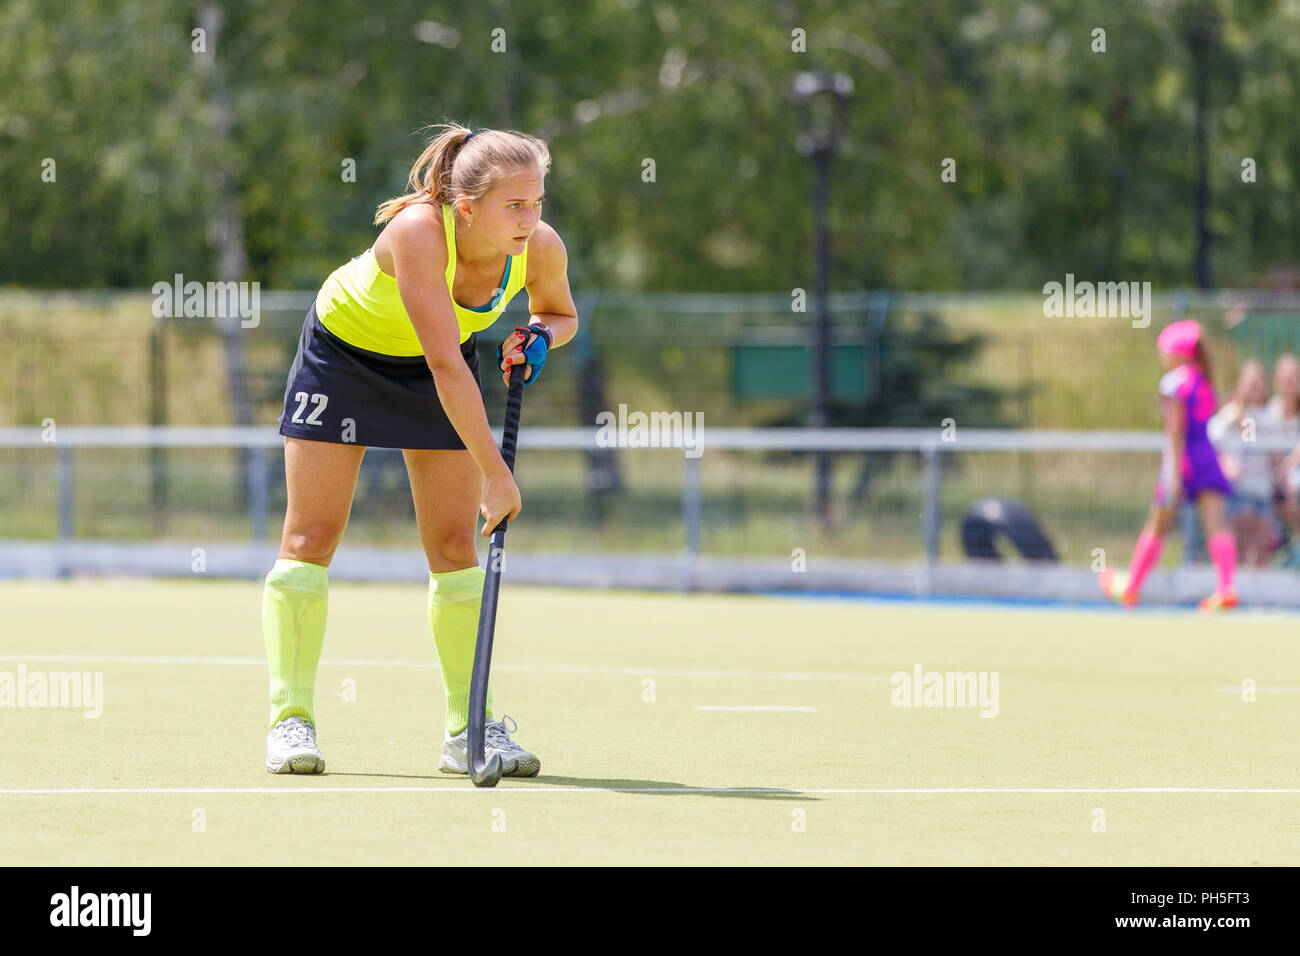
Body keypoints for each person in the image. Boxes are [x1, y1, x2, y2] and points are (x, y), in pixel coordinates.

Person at [262, 123, 579, 775]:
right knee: (310, 539)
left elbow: (558, 311)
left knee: (455, 548)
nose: (530, 218)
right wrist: (497, 474)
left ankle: (471, 730)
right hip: (343, 360)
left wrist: (541, 337)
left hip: (436, 368)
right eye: (514, 205)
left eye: (538, 201)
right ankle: (290, 722)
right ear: (466, 206)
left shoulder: (539, 246)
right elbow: (445, 362)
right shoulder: (418, 233)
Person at [1099, 319, 1237, 611]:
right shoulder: (1204, 380)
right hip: (1206, 458)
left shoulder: (1173, 383)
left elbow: (1175, 430)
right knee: (1216, 524)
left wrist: (1173, 473)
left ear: (1179, 354)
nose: (1162, 357)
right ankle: (1225, 587)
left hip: (1182, 460)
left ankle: (1132, 587)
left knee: (1157, 525)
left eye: (1164, 352)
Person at [1207, 359, 1281, 567]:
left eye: (1259, 381)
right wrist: (1226, 462)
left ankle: (1260, 590)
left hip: (1264, 488)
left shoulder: (1270, 416)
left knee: (1262, 540)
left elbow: (1269, 449)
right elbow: (1214, 443)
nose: (1255, 386)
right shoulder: (1230, 414)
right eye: (1250, 381)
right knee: (1242, 536)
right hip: (1239, 488)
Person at [1267, 354, 1300, 566]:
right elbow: (1260, 443)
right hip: (1274, 475)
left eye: (1294, 377)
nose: (1290, 383)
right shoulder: (1269, 411)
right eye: (1285, 378)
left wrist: (1287, 469)